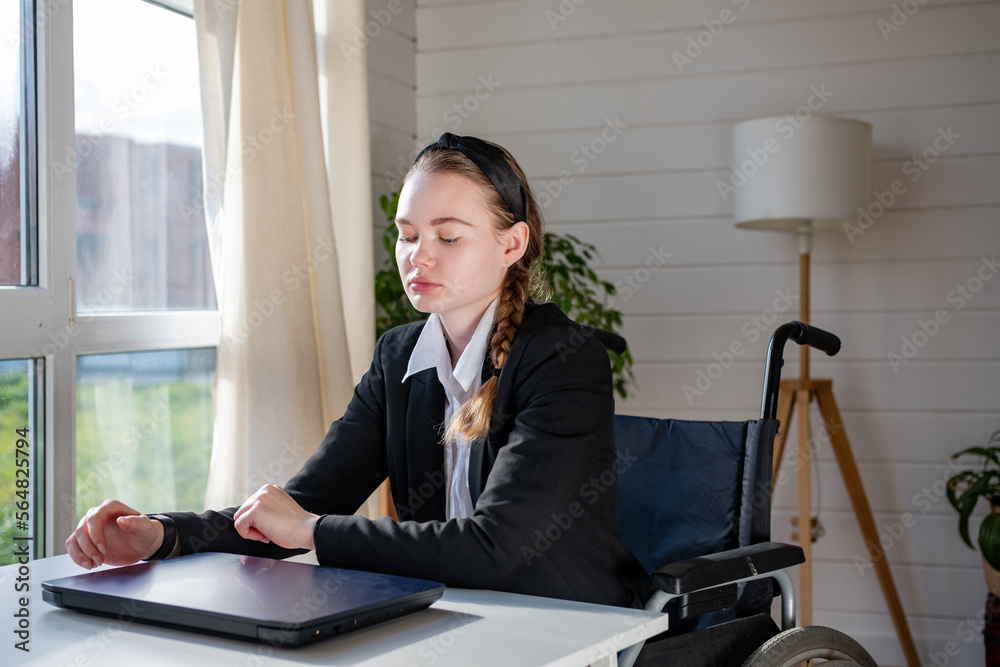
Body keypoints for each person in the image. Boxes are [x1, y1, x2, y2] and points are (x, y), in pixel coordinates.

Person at [65, 133, 650, 608]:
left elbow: (498, 548)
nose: (419, 255)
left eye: (448, 236)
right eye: (407, 235)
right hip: (457, 615)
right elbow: (301, 504)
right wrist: (161, 534)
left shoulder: (564, 357)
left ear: (512, 244)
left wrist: (310, 531)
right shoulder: (399, 357)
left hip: (571, 625)